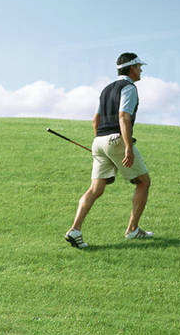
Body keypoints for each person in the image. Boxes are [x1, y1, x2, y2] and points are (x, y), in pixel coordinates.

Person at [65, 52, 153, 249]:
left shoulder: (105, 89)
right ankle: (132, 230)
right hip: (116, 140)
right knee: (143, 182)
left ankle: (75, 230)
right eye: (139, 67)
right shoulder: (129, 88)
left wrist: (100, 145)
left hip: (99, 141)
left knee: (95, 189)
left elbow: (96, 120)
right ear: (132, 68)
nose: (141, 70)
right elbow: (123, 116)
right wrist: (128, 147)